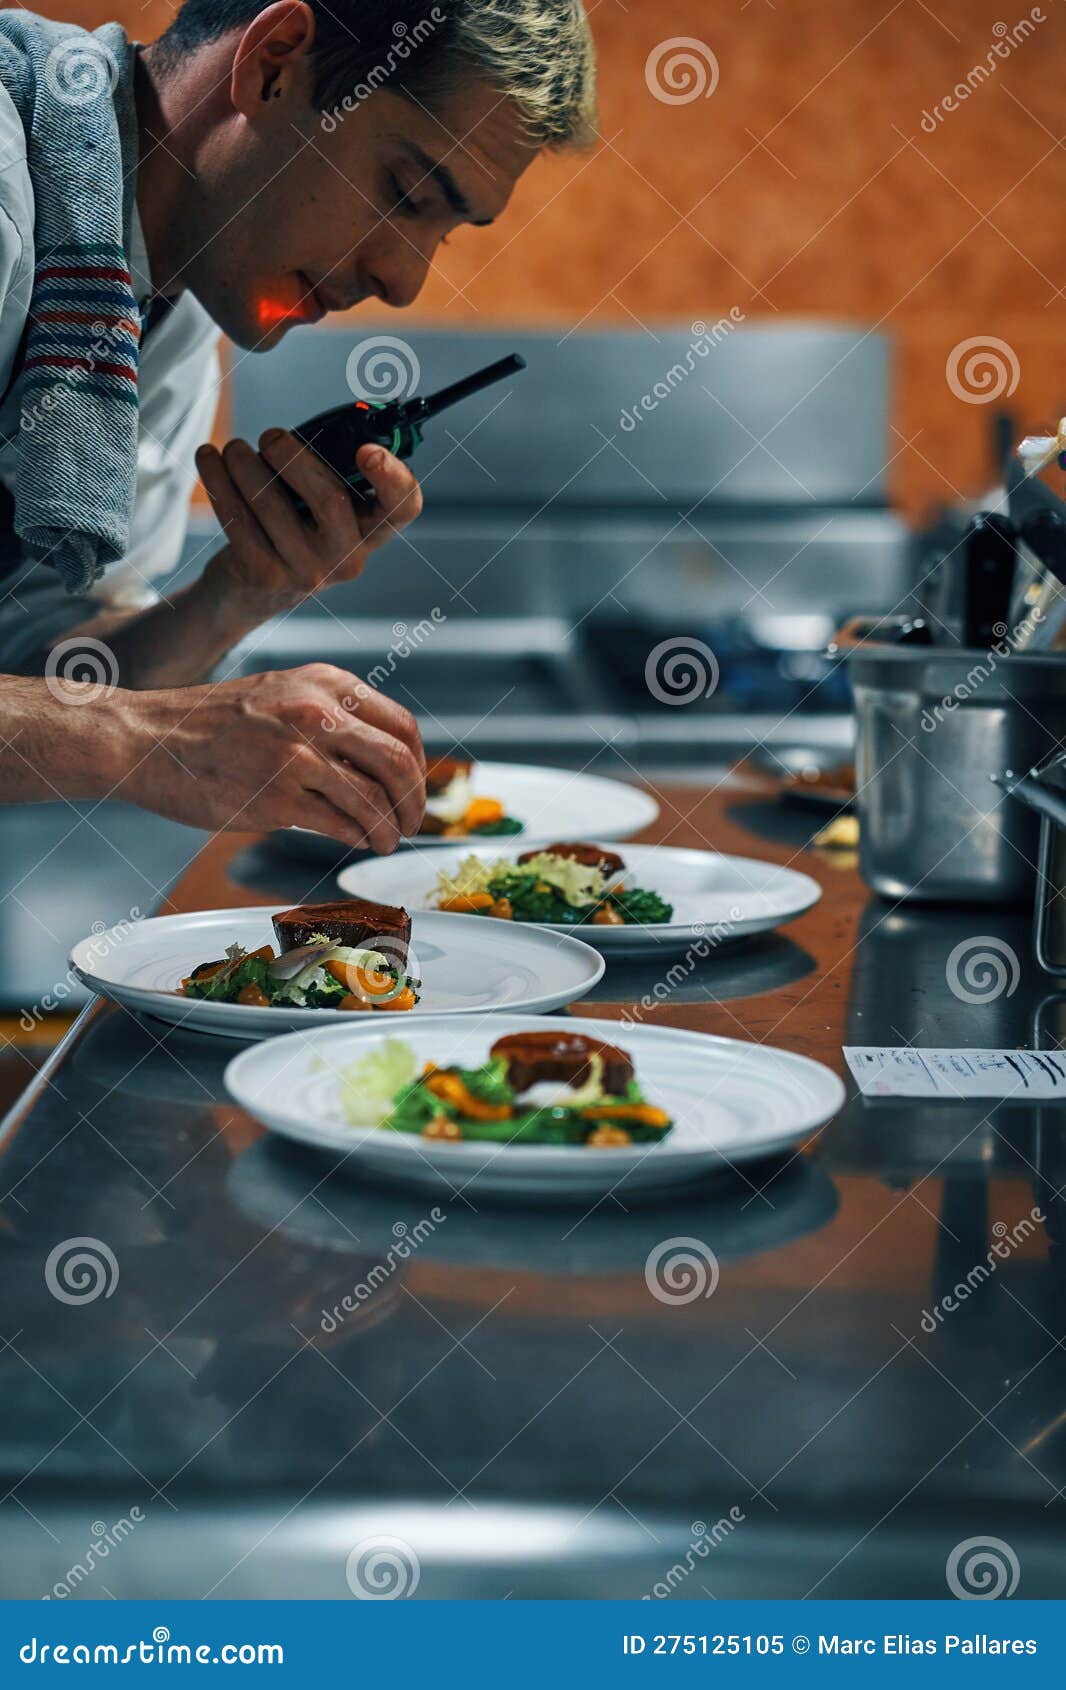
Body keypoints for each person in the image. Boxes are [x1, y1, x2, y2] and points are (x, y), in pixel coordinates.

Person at [0, 0, 595, 852]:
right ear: (273, 62)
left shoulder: (162, 318)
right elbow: (89, 721)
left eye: (445, 235)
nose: (403, 281)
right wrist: (138, 738)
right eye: (408, 192)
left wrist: (235, 595)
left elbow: (39, 676)